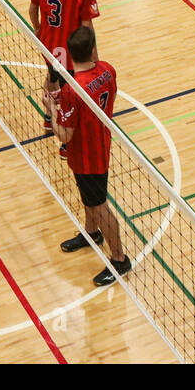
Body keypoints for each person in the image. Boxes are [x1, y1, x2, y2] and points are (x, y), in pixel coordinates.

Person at [50, 26, 130, 287]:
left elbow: (64, 136)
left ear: (71, 55)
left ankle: (119, 260)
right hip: (99, 144)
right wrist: (65, 104)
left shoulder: (72, 90)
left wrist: (52, 108)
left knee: (99, 204)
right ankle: (92, 233)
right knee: (89, 198)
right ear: (93, 48)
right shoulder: (108, 70)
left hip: (87, 155)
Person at [29, 0, 99, 154]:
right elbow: (88, 28)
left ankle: (49, 118)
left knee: (51, 77)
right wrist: (95, 57)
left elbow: (32, 9)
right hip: (70, 53)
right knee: (69, 94)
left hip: (48, 46)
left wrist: (38, 28)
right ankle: (67, 144)